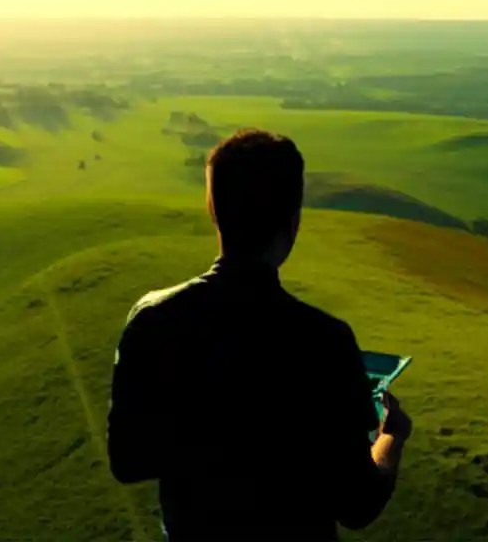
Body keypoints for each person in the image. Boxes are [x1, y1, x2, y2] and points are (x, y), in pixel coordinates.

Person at [108, 128, 412, 541]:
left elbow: (127, 461)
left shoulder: (152, 320)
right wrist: (391, 436)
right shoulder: (324, 342)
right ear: (294, 220)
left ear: (214, 210)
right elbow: (358, 505)